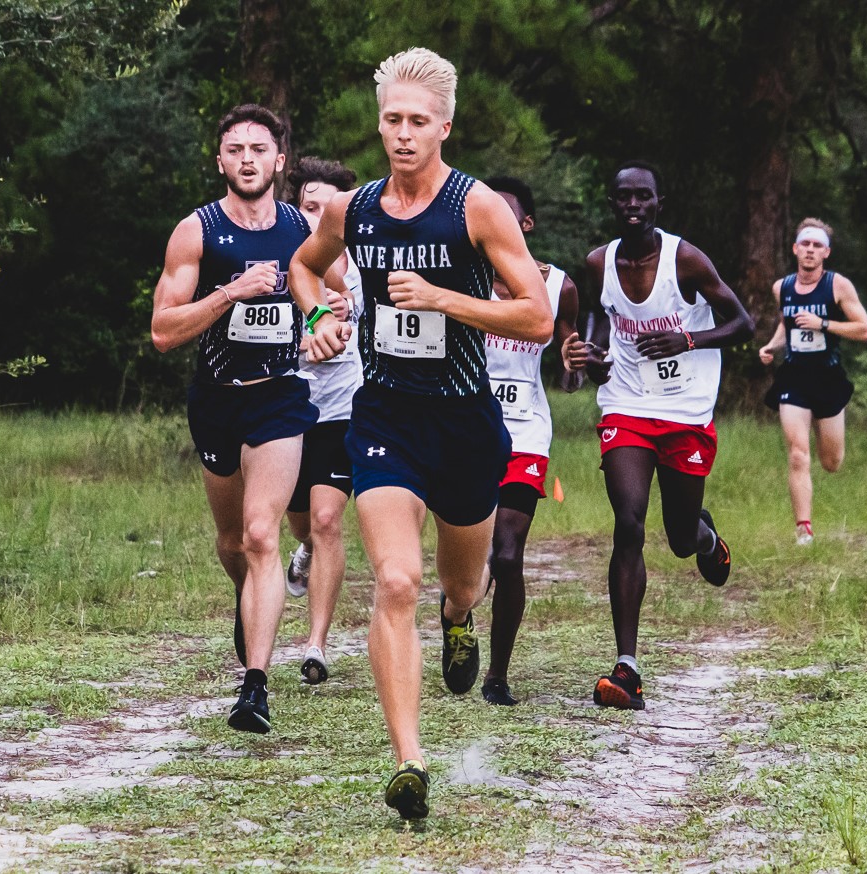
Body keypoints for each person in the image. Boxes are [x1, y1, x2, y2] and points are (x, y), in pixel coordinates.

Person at [290, 48, 552, 820]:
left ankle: (460, 619)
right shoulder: (353, 210)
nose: (403, 134)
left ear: (444, 127)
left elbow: (537, 315)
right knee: (398, 580)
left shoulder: (477, 208)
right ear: (380, 126)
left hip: (465, 421)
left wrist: (443, 298)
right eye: (391, 120)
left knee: (459, 583)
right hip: (386, 416)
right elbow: (304, 267)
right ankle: (409, 759)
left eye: (417, 121)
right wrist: (318, 314)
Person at [151, 104, 328, 735]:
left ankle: (255, 686)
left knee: (261, 535)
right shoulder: (196, 232)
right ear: (220, 160)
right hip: (217, 400)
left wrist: (326, 321)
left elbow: (338, 290)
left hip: (279, 398)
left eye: (258, 149)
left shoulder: (303, 229)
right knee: (233, 542)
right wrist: (230, 292)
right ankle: (249, 594)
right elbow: (163, 331)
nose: (247, 159)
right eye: (235, 149)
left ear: (279, 160)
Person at [562, 161, 755, 712]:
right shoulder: (599, 263)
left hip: (686, 409)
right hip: (626, 404)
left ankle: (705, 538)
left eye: (642, 197)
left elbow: (743, 324)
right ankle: (628, 669)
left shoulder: (685, 260)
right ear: (612, 205)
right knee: (628, 523)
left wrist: (687, 340)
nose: (633, 206)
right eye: (623, 197)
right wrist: (591, 357)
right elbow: (601, 325)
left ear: (657, 204)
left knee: (678, 537)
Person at [476, 176, 581, 707]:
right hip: (467, 430)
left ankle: (497, 674)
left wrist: (574, 365)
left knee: (507, 554)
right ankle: (457, 616)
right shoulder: (462, 278)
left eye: (507, 216)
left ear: (527, 225)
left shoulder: (559, 286)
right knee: (468, 561)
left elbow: (571, 372)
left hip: (526, 431)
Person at [282, 156, 362, 685]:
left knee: (328, 518)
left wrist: (350, 311)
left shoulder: (365, 261)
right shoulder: (282, 258)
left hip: (344, 403)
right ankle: (305, 547)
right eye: (310, 207)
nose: (319, 218)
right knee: (301, 522)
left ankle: (316, 644)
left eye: (329, 209)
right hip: (286, 403)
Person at [757, 218, 867, 546]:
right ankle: (804, 530)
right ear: (795, 249)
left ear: (826, 253)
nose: (810, 250)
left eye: (817, 245)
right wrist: (772, 346)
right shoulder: (782, 288)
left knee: (831, 462)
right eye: (805, 244)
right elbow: (787, 324)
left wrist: (823, 323)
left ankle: (827, 436)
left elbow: (864, 330)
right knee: (797, 454)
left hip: (828, 378)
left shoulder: (838, 286)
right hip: (794, 378)